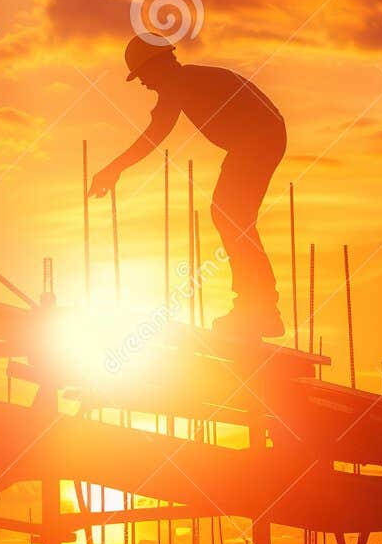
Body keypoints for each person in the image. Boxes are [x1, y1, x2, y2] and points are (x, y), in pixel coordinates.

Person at [89, 35, 288, 339]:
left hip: (258, 139)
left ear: (156, 65)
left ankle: (258, 308)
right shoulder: (186, 81)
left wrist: (113, 169)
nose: (143, 84)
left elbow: (154, 135)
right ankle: (261, 308)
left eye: (142, 75)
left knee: (231, 216)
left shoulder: (180, 83)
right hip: (260, 138)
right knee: (233, 217)